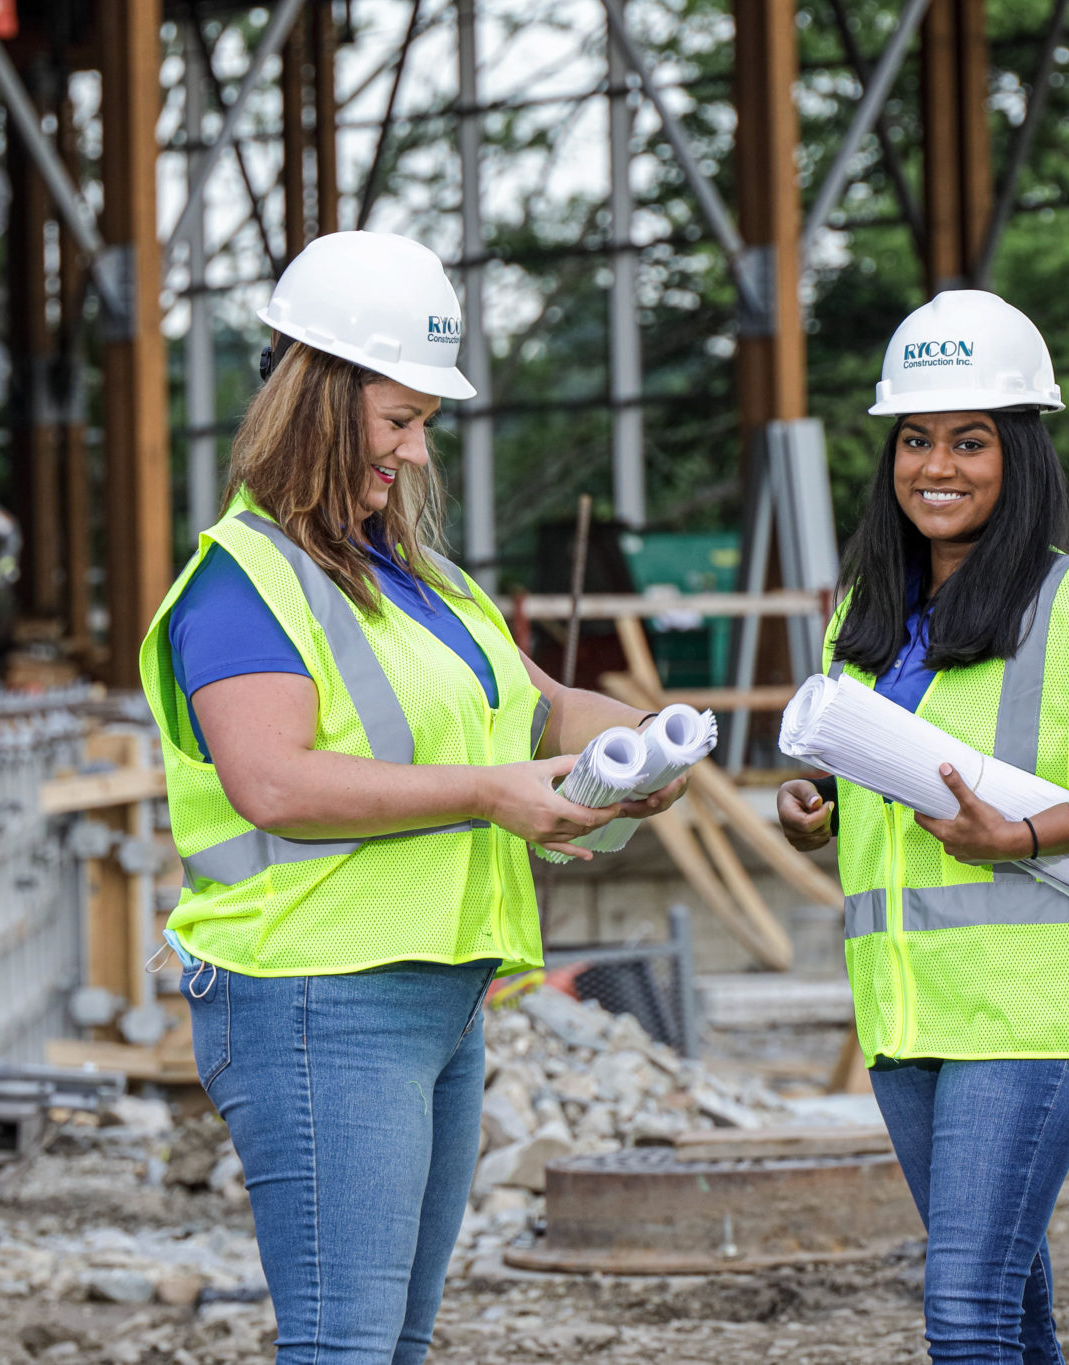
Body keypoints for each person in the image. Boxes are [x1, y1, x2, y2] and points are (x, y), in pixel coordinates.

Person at [139, 230, 682, 1365]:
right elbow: (274, 781)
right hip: (313, 998)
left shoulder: (422, 580)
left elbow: (536, 705)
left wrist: (642, 746)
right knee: (345, 1345)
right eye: (399, 421)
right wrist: (490, 793)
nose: (418, 454)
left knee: (394, 1343)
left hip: (431, 996)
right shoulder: (243, 583)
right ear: (318, 404)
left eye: (422, 424)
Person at [775, 291, 1069, 1364]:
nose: (938, 465)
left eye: (970, 441)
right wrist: (816, 812)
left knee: (962, 1309)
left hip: (1031, 1011)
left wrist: (1020, 838)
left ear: (1016, 454)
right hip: (907, 1013)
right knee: (1008, 1305)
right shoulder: (865, 621)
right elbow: (883, 776)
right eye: (915, 439)